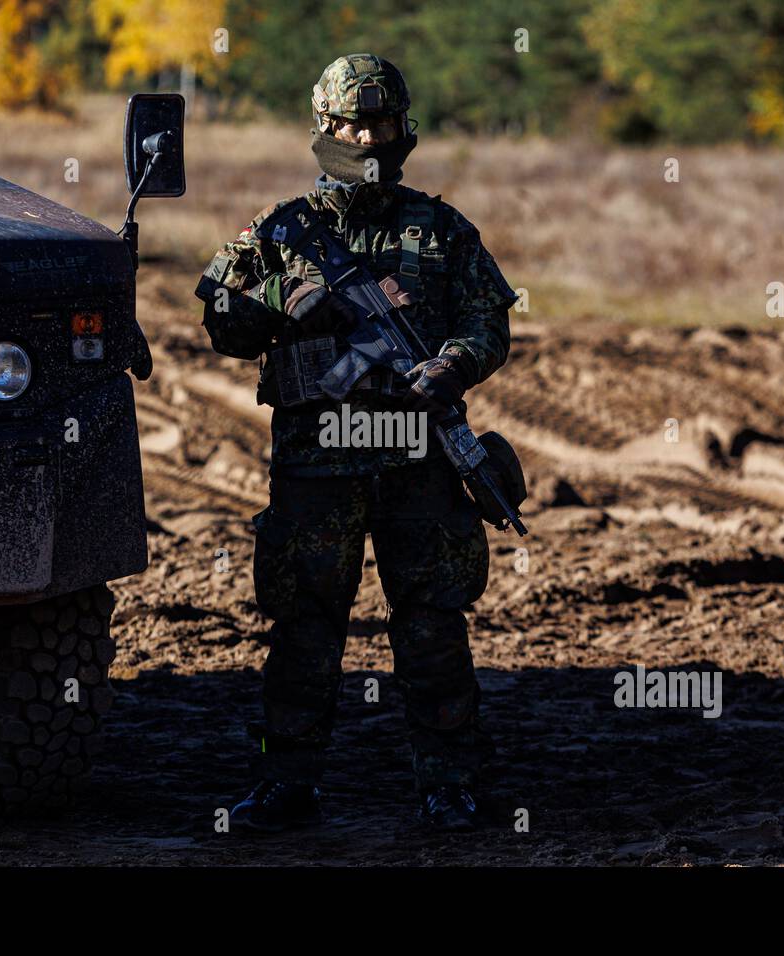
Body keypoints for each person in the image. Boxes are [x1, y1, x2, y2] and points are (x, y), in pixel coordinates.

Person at [194, 53, 517, 831]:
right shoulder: (280, 231)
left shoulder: (441, 230)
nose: (367, 137)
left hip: (417, 460)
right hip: (318, 461)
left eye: (382, 122)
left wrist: (453, 364)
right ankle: (286, 785)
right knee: (305, 626)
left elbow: (488, 322)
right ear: (324, 128)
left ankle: (450, 784)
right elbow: (219, 319)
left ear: (405, 129)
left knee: (434, 626)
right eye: (351, 123)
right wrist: (283, 297)